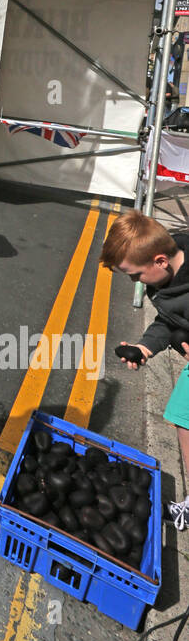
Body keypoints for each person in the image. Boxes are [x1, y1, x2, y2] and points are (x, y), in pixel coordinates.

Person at [100, 212, 189, 530]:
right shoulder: (168, 278)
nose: (135, 284)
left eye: (135, 275)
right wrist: (146, 347)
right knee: (182, 417)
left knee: (184, 418)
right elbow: (169, 321)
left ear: (160, 260)